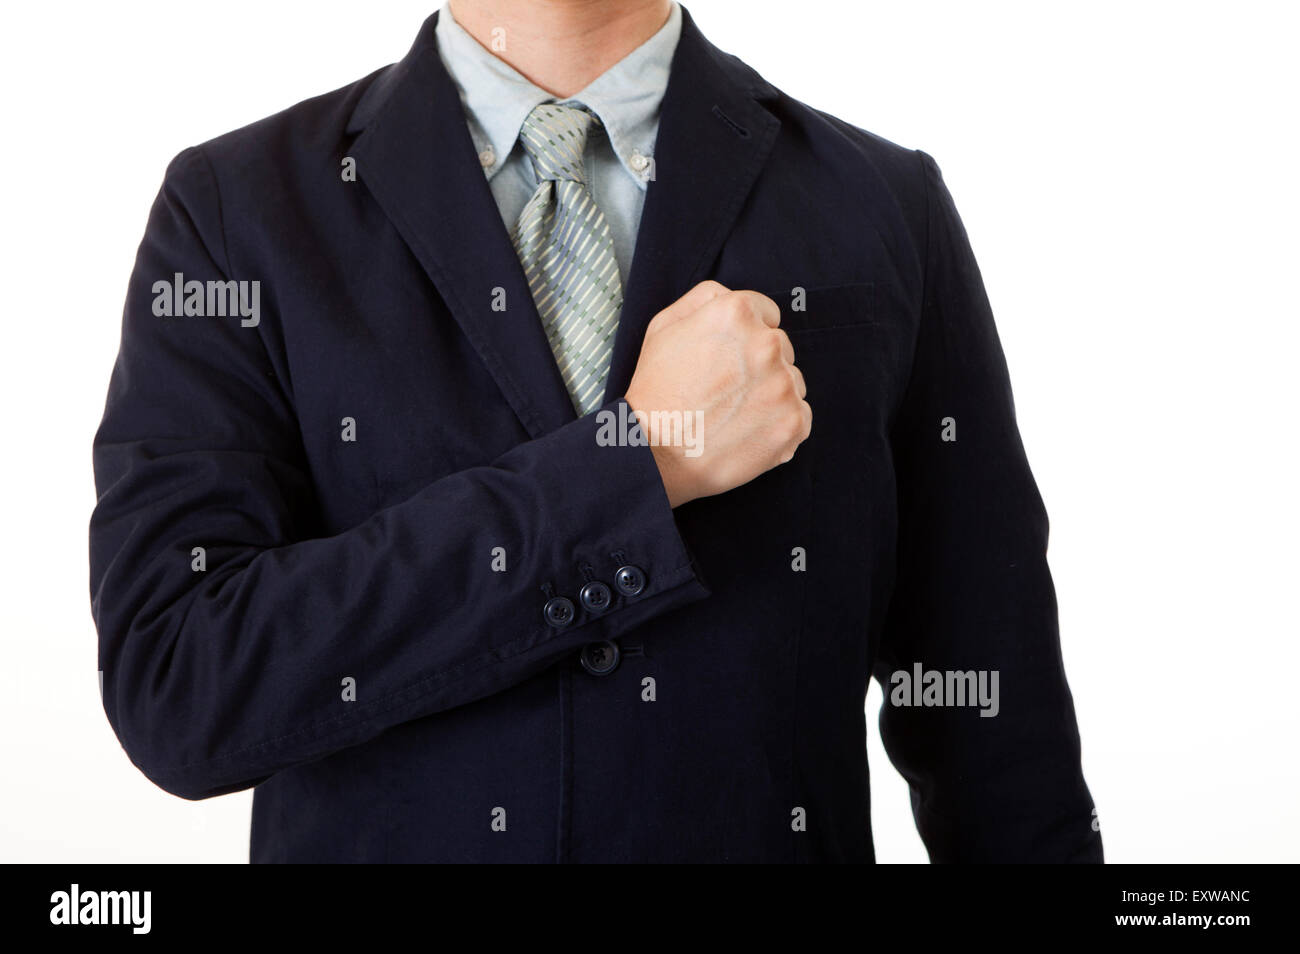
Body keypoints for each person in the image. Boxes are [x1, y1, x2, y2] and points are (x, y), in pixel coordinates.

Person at [89, 0, 1102, 863]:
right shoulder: (236, 214)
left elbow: (997, 740)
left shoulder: (882, 207)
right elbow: (181, 685)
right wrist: (637, 464)